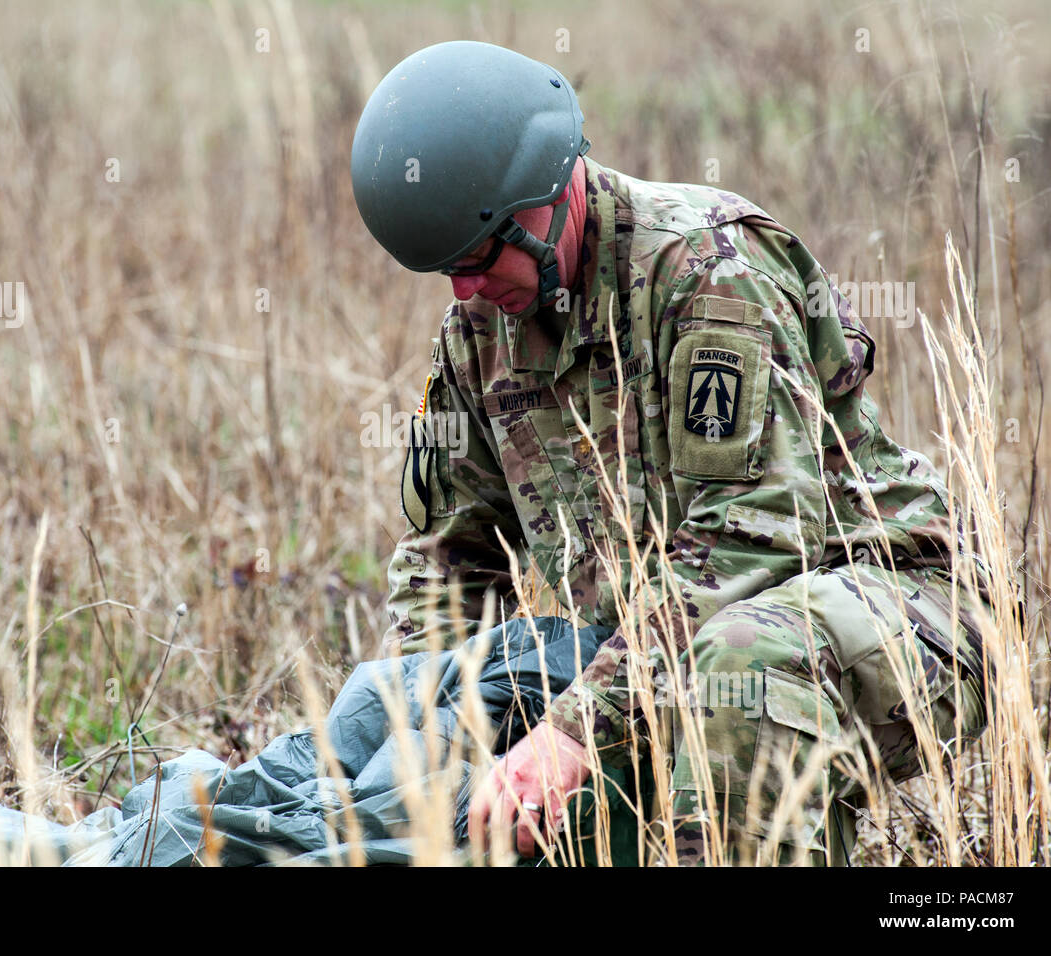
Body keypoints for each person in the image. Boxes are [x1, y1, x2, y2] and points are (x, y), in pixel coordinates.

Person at [350, 40, 993, 864]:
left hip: (898, 609)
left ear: (544, 198)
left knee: (739, 673)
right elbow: (446, 565)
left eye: (476, 257)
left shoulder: (709, 270)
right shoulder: (479, 336)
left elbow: (754, 535)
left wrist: (576, 727)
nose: (464, 291)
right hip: (674, 650)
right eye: (442, 271)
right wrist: (428, 736)